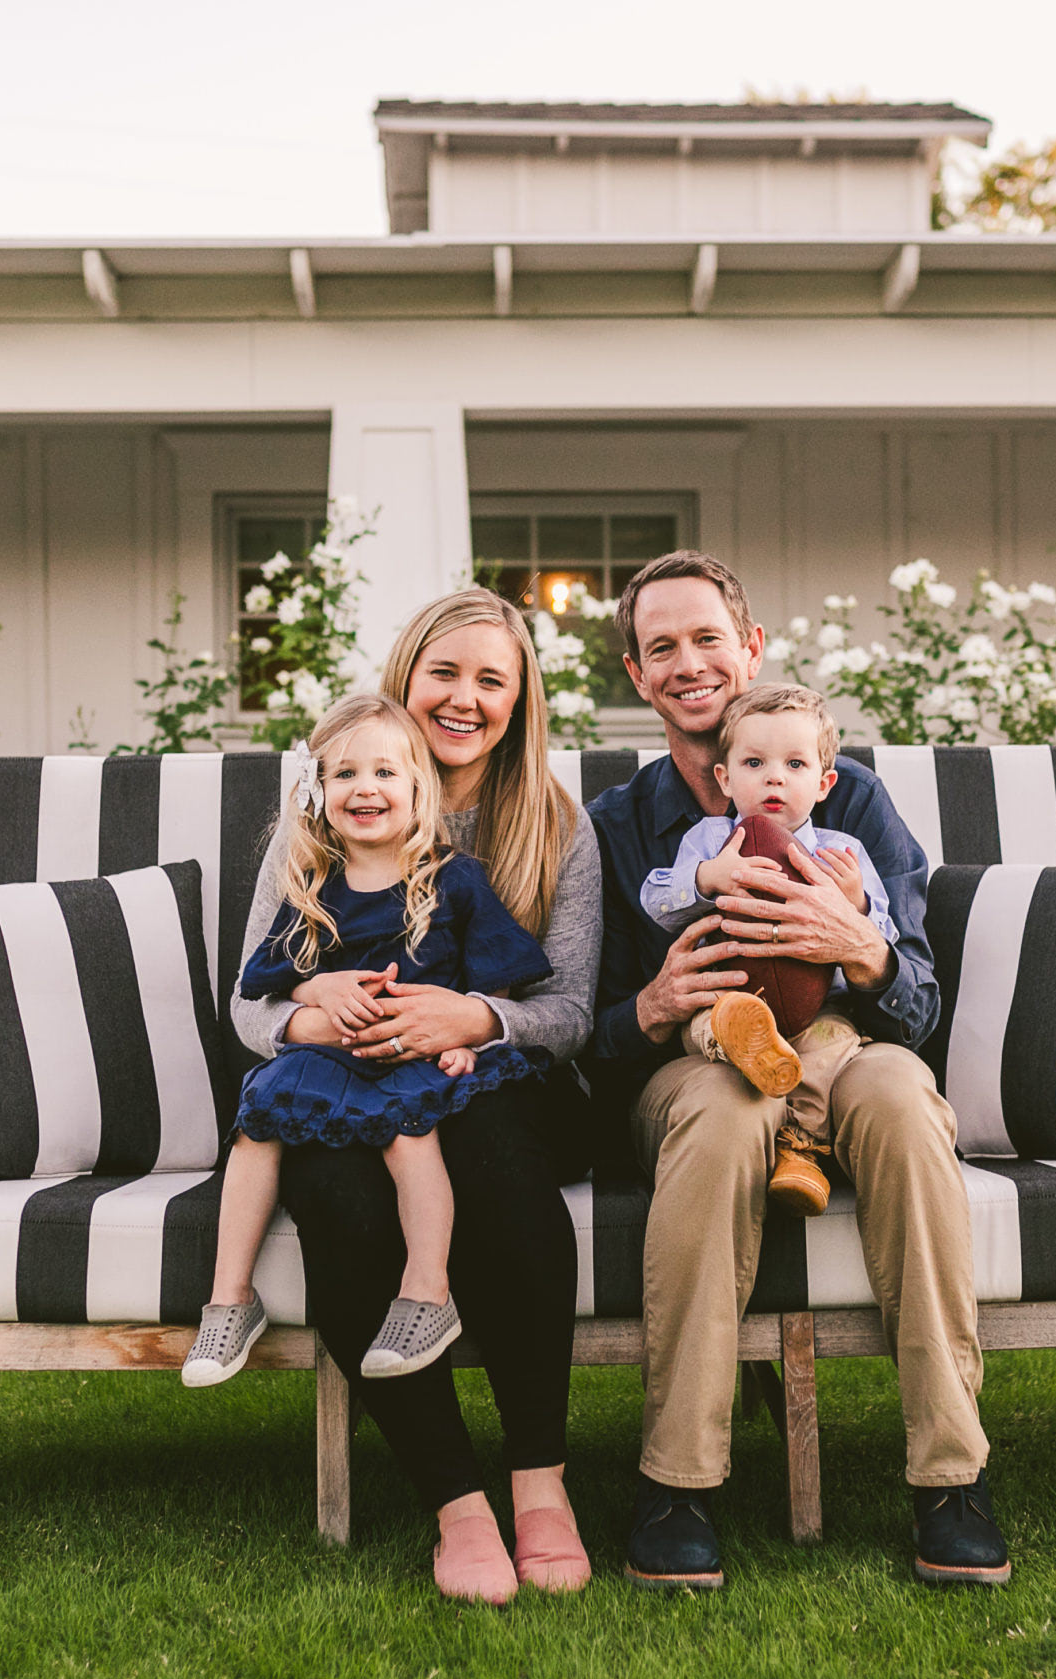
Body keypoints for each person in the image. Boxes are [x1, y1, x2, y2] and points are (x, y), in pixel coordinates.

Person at [587, 550, 1012, 1591]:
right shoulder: (618, 827)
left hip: (840, 1049)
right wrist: (655, 1003)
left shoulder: (849, 798)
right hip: (692, 1068)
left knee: (904, 1099)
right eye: (661, 648)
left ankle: (951, 1474)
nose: (688, 663)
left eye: (707, 638)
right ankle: (678, 1481)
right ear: (638, 677)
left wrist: (856, 944)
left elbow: (916, 1000)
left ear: (750, 648)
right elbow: (584, 1037)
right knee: (727, 1112)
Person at [232, 588, 603, 1606]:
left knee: (487, 1152)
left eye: (491, 680)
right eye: (445, 672)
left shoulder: (554, 826)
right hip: (350, 1080)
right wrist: (311, 1013)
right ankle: (457, 1504)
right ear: (407, 677)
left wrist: (473, 1017)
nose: (464, 698)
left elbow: (571, 1011)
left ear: (520, 700)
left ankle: (540, 1486)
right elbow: (250, 1003)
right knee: (340, 1197)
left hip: (503, 1084)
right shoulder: (320, 821)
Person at [186, 691, 552, 1392]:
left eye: (385, 773)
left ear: (419, 788)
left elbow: (496, 980)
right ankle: (229, 1298)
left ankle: (427, 1292)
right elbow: (265, 982)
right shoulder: (313, 886)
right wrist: (317, 990)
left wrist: (472, 1039)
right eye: (346, 774)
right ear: (318, 791)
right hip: (330, 1057)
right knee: (257, 1124)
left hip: (415, 1055)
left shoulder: (450, 879)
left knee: (408, 1136)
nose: (365, 789)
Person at [637, 681, 897, 1216]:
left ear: (824, 784)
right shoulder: (710, 842)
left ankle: (801, 1148)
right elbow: (656, 900)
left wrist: (855, 906)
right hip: (728, 999)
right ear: (725, 778)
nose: (774, 777)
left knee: (834, 1046)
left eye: (795, 765)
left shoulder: (842, 854)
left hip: (816, 1009)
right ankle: (742, 1045)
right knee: (712, 1024)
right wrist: (707, 879)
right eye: (754, 763)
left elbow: (884, 938)